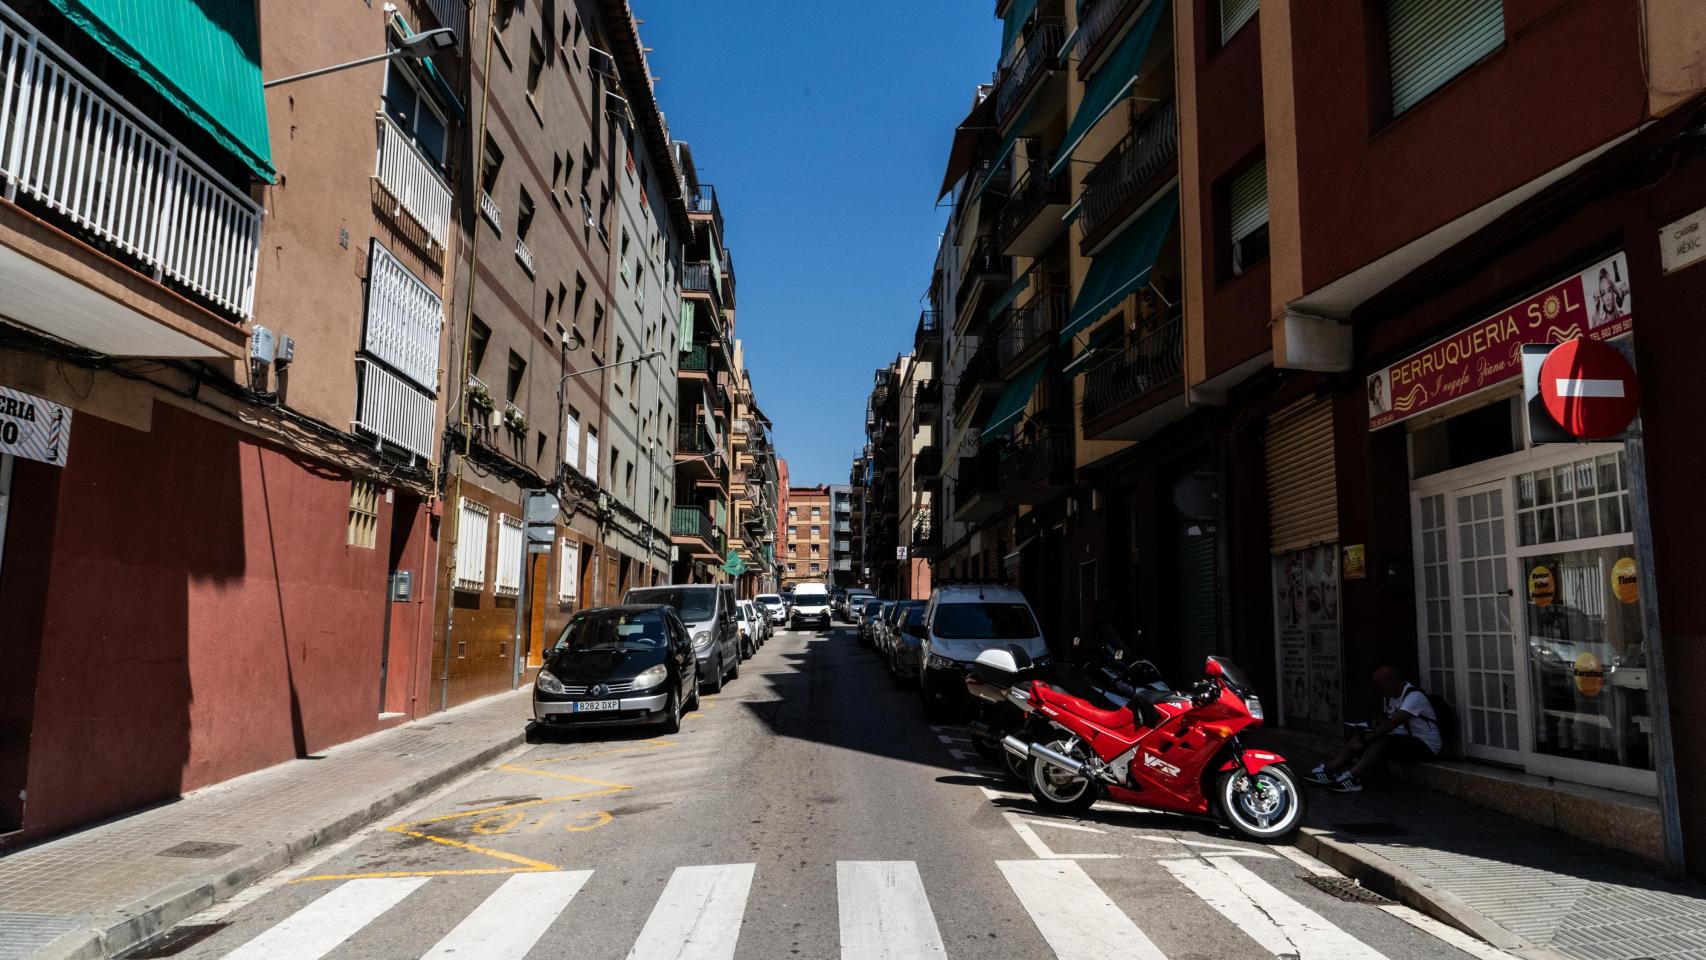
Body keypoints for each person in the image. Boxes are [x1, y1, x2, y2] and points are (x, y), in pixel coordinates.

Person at [1307, 666, 1440, 792]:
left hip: (1424, 745)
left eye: (1382, 687)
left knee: (1382, 741)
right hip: (1403, 739)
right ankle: (1328, 770)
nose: (1379, 691)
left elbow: (1392, 724)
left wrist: (1365, 741)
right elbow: (1387, 720)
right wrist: (1373, 726)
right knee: (1359, 734)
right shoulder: (1389, 697)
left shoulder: (1414, 697)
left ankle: (1352, 777)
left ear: (1393, 682)